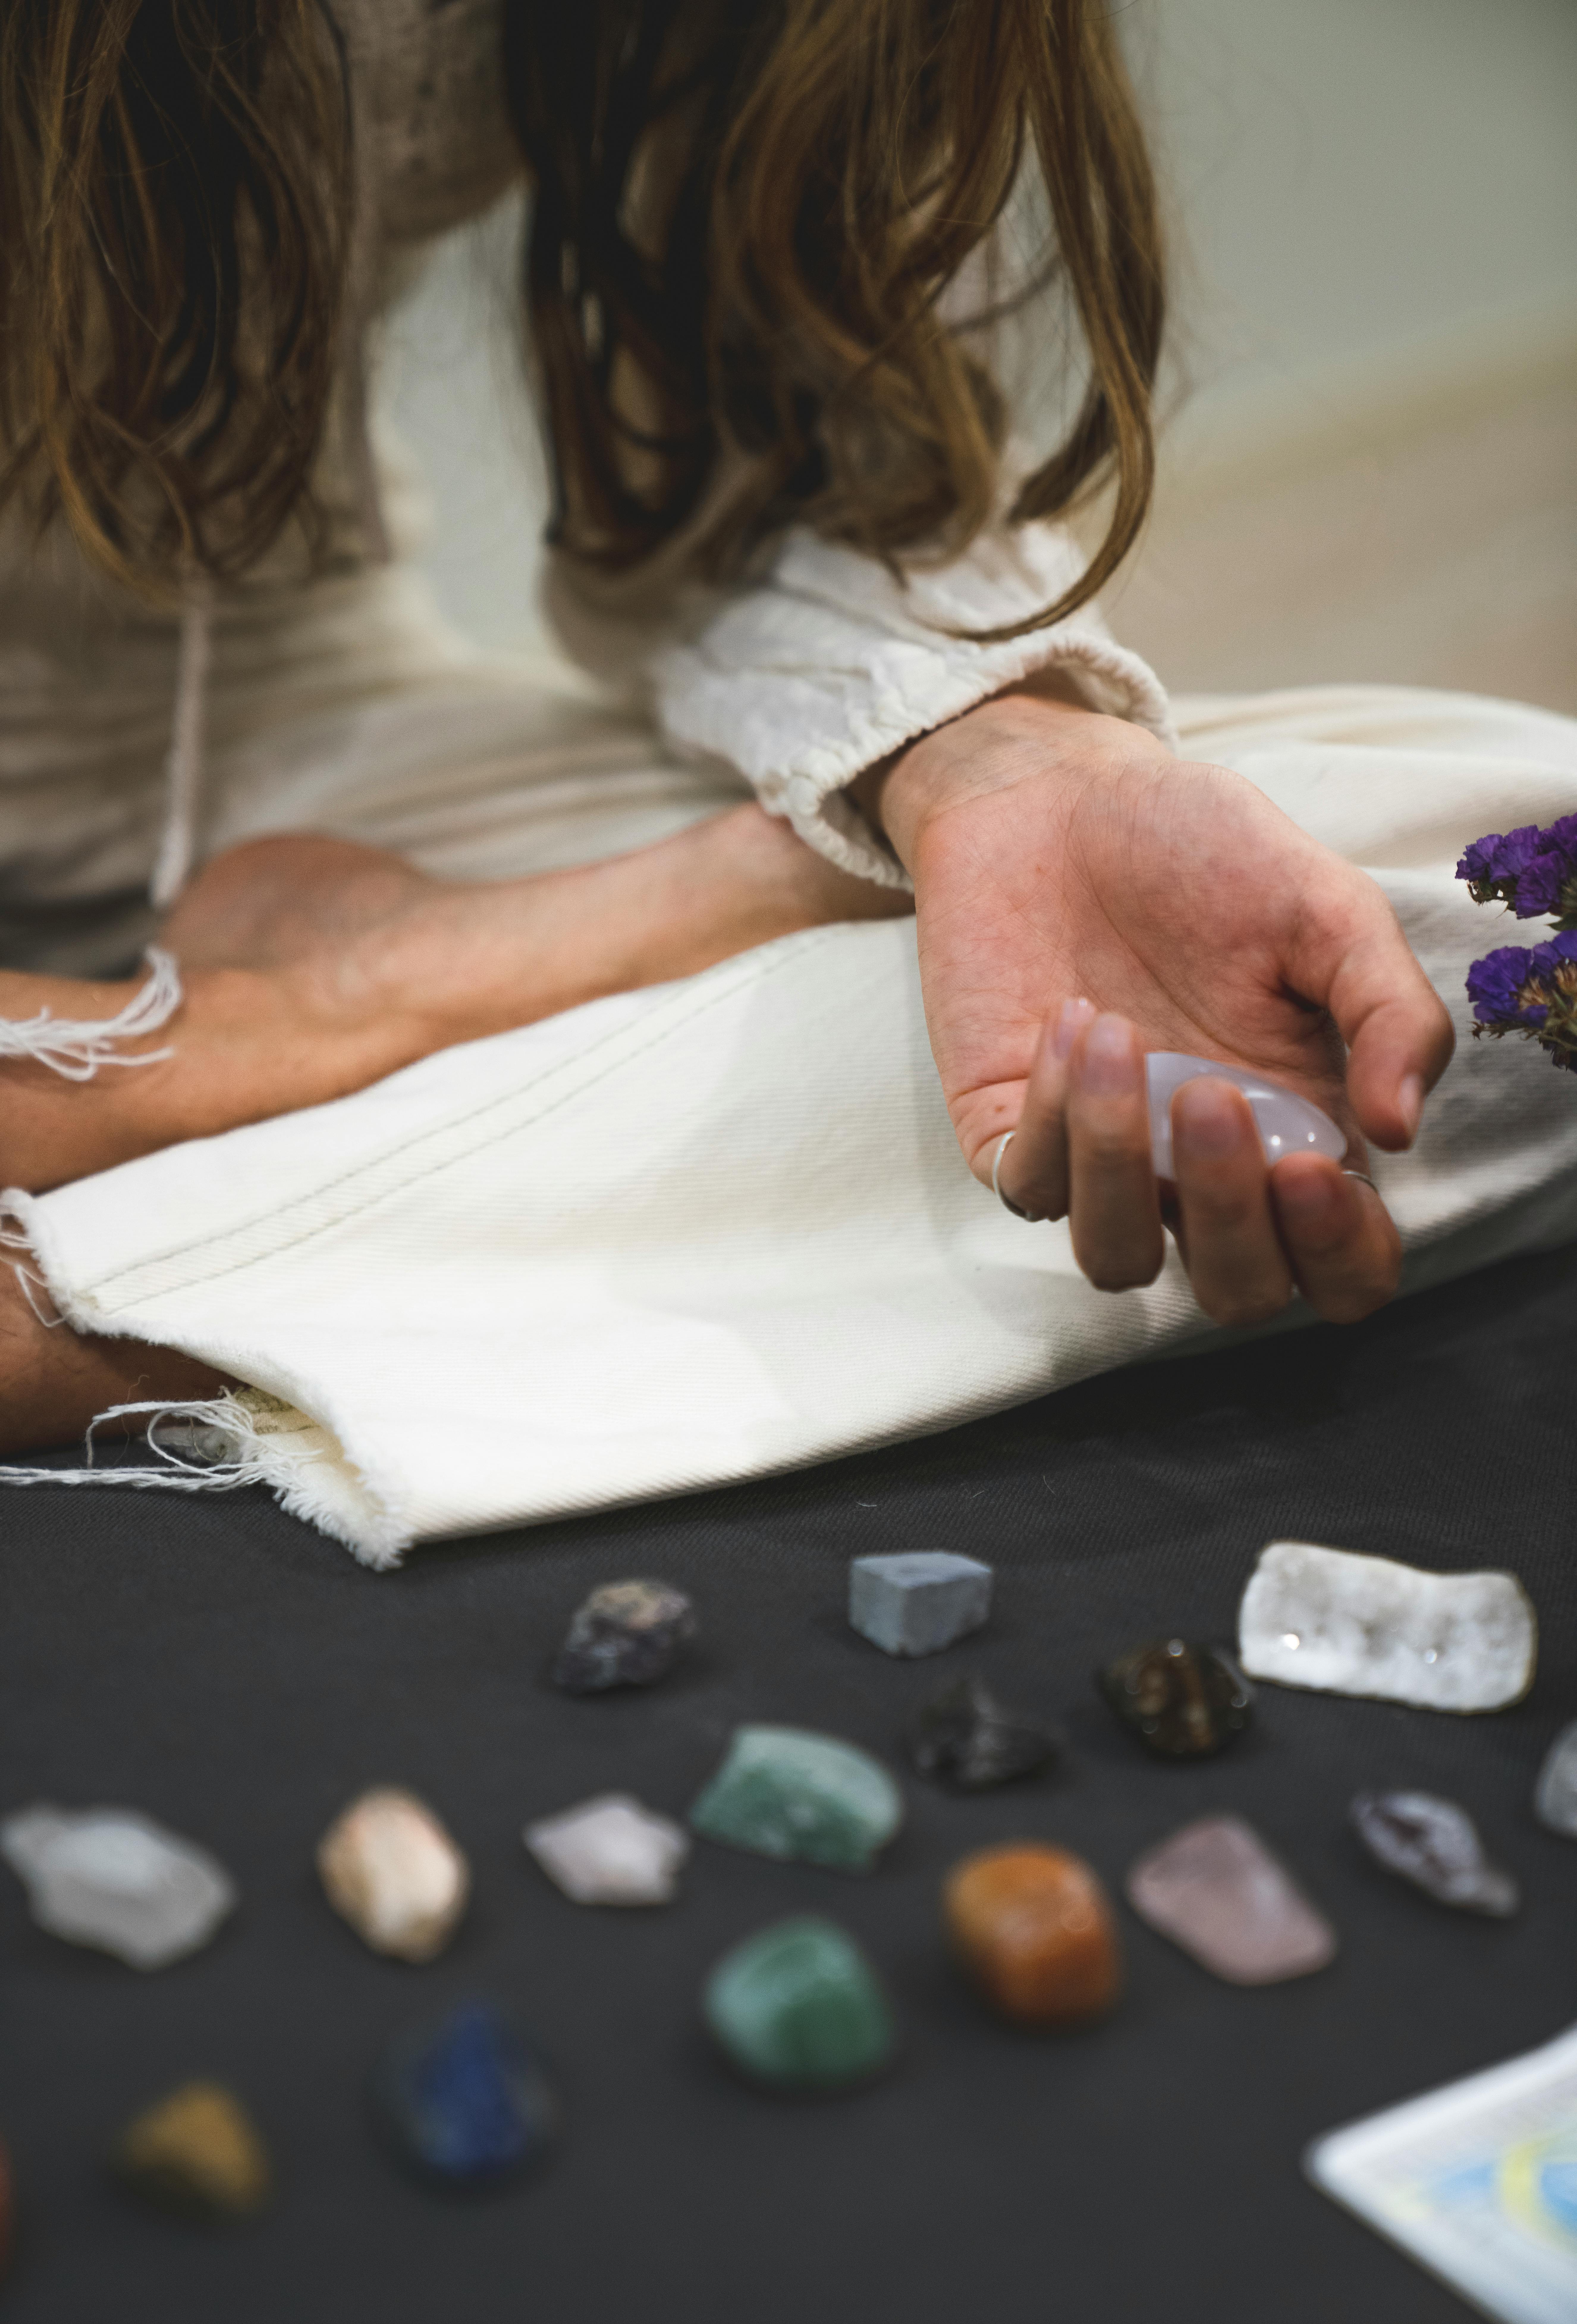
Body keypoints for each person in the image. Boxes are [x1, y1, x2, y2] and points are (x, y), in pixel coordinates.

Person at [0, 1, 1554, 1527]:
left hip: (288, 715)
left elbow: (782, 461)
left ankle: (279, 1060)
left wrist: (991, 763)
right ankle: (148, 1256)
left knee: (1509, 898)